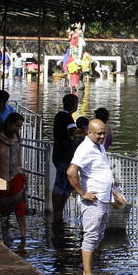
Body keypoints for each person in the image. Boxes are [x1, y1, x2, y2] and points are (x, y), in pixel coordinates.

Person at [67, 118, 127, 275]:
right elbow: (71, 171)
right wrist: (82, 193)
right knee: (91, 236)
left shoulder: (98, 146)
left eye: (103, 133)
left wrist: (113, 192)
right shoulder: (85, 148)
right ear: (89, 133)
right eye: (99, 133)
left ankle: (89, 271)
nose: (102, 136)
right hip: (93, 200)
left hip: (103, 198)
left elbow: (102, 171)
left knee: (98, 235)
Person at [0, 113, 28, 249]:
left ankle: (23, 238)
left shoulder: (17, 137)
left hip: (16, 174)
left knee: (20, 207)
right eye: (16, 125)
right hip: (1, 175)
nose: (17, 129)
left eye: (20, 126)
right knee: (3, 207)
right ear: (9, 123)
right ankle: (4, 233)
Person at [51, 93, 80, 221]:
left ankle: (59, 213)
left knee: (65, 185)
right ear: (74, 105)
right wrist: (89, 133)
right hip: (63, 156)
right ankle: (57, 213)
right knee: (61, 184)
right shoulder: (66, 117)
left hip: (61, 155)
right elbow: (74, 132)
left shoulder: (61, 116)